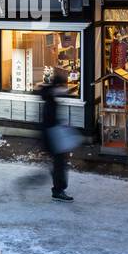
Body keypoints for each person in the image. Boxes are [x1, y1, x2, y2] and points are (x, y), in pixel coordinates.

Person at [39, 73, 74, 202]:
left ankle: (58, 188)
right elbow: (50, 122)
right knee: (59, 164)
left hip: (53, 137)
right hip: (53, 138)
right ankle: (58, 190)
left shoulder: (50, 97)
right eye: (63, 86)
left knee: (58, 164)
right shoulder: (50, 100)